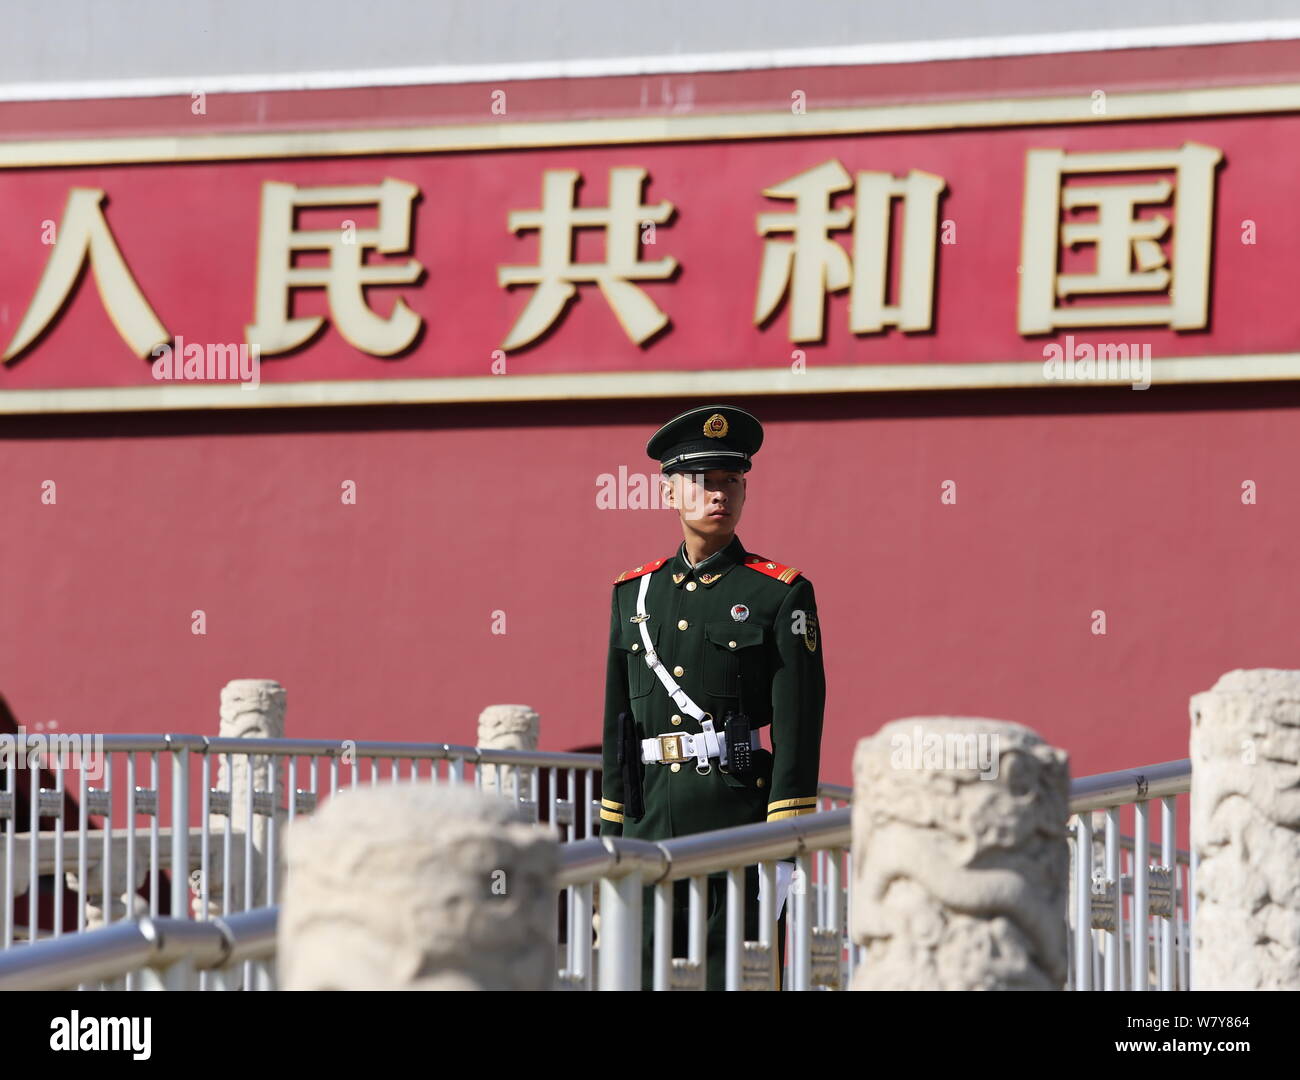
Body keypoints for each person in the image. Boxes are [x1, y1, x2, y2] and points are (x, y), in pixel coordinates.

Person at [598, 404, 826, 990]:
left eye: (731, 481)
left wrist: (784, 836)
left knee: (731, 977)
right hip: (650, 823)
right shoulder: (634, 594)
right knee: (642, 973)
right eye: (701, 482)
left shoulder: (778, 593)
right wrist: (613, 828)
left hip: (736, 822)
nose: (717, 495)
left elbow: (799, 720)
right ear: (670, 492)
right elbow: (618, 723)